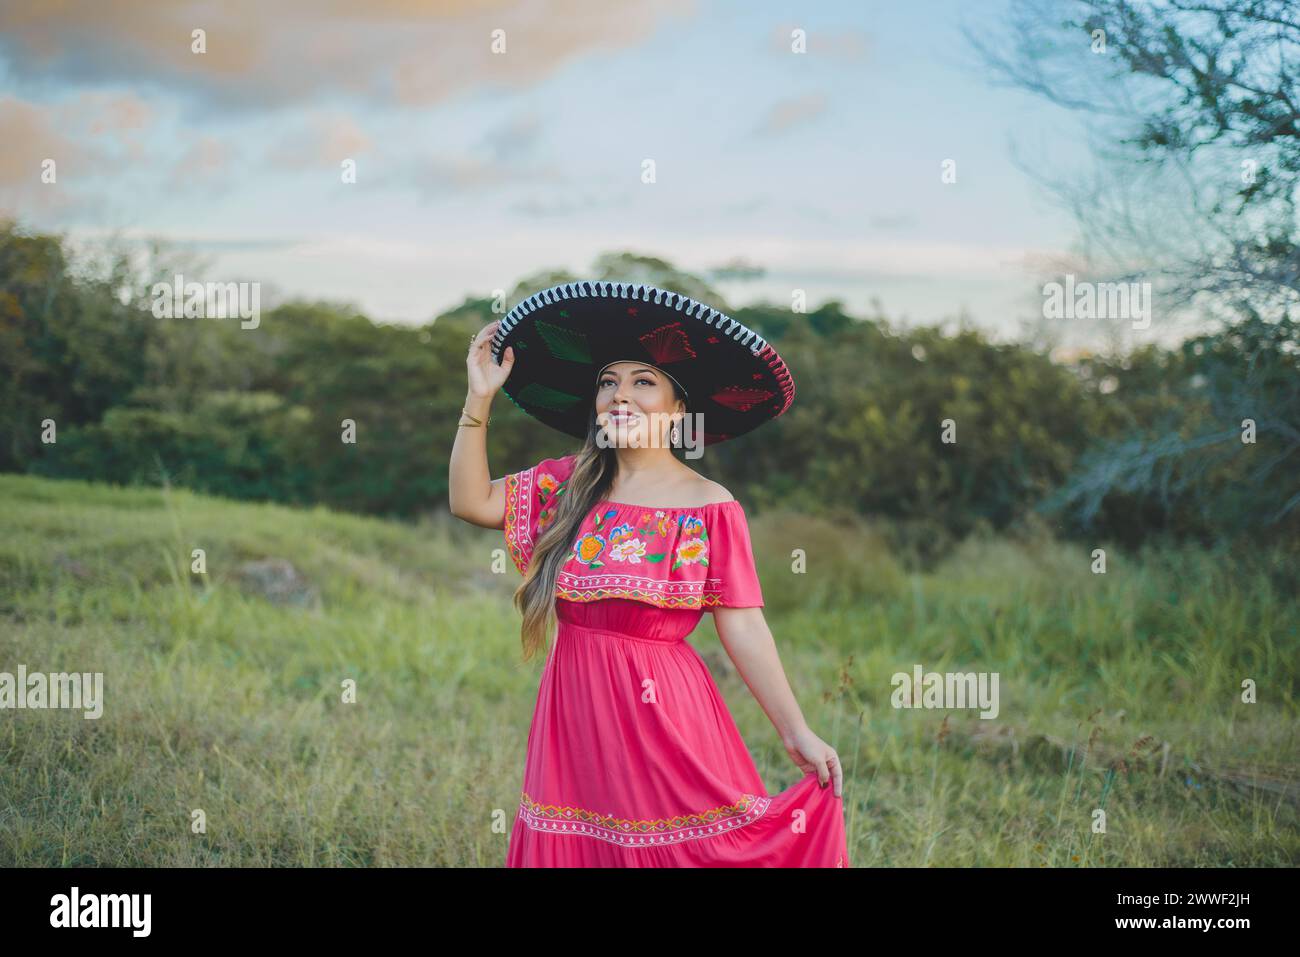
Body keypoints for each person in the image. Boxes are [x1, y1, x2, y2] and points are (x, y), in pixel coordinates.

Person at [449, 280, 849, 867]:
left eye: (643, 382)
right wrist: (477, 399)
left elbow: (744, 628)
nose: (620, 396)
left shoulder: (710, 505)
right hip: (575, 708)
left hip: (666, 713)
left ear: (678, 409)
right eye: (608, 382)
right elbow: (470, 502)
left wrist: (796, 731)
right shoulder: (568, 483)